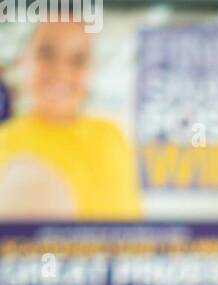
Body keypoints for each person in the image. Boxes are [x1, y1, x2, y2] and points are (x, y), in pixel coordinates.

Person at [0, 20, 142, 220]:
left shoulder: (113, 136)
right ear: (24, 59)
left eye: (77, 60)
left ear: (91, 70)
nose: (61, 71)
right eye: (46, 54)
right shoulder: (3, 142)